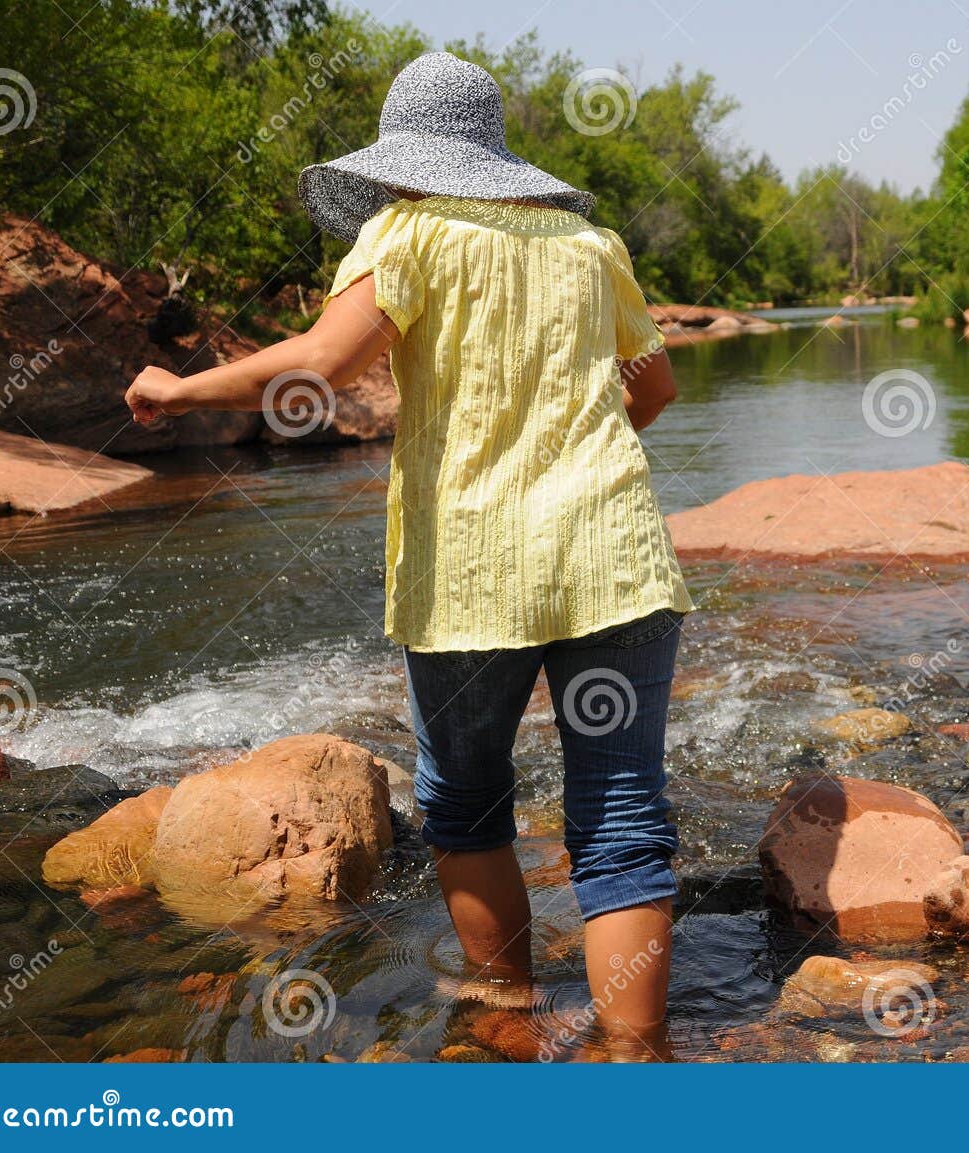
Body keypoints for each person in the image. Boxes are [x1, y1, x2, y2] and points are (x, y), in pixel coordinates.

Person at [125, 52, 693, 1058]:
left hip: (472, 575)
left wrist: (177, 390)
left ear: (402, 162)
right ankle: (637, 1059)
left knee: (467, 806)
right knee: (621, 823)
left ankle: (506, 1015)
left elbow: (321, 363)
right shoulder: (590, 246)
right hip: (615, 560)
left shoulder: (410, 233)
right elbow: (652, 391)